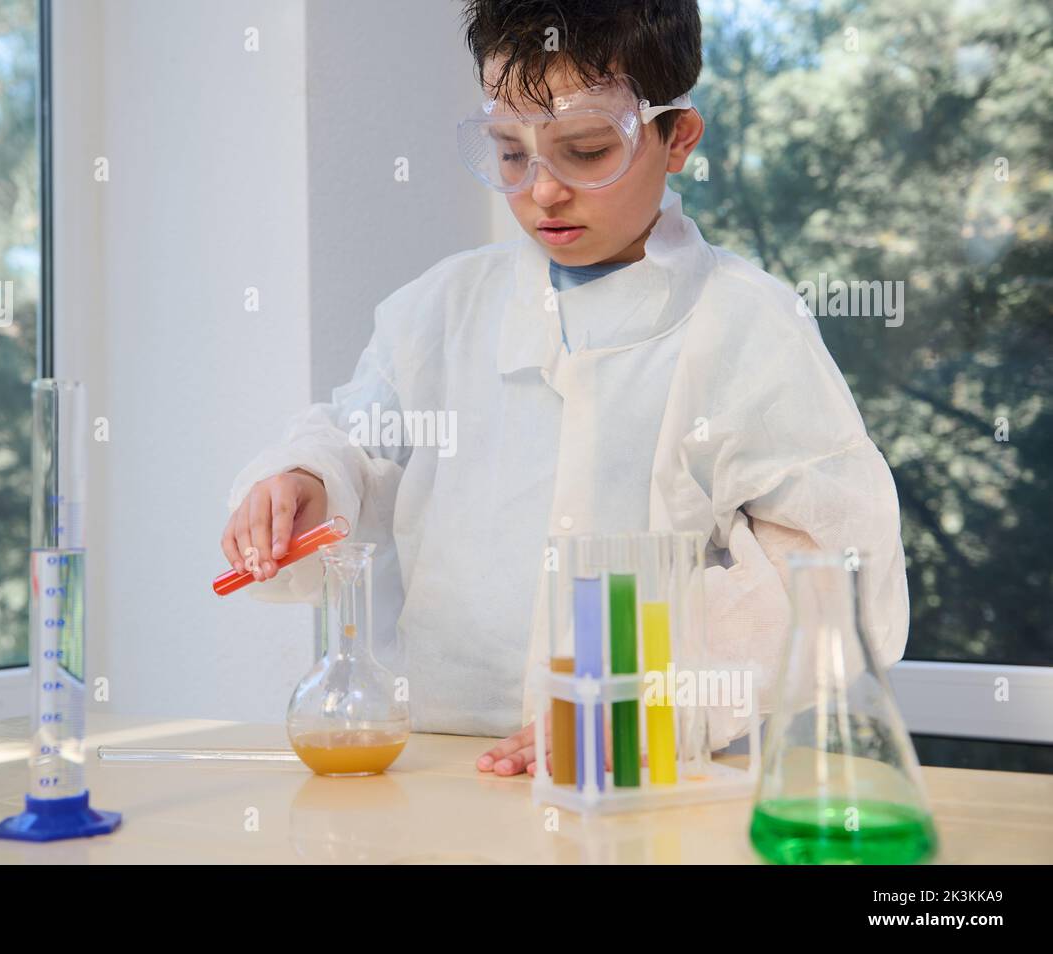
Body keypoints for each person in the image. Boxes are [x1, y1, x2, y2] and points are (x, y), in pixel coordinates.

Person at [219, 0, 909, 777]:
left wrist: (634, 703)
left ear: (676, 136)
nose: (542, 191)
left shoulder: (749, 325)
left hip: (647, 770)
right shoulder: (441, 308)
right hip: (447, 766)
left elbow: (837, 570)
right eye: (511, 153)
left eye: (584, 151)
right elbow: (355, 442)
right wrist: (308, 480)